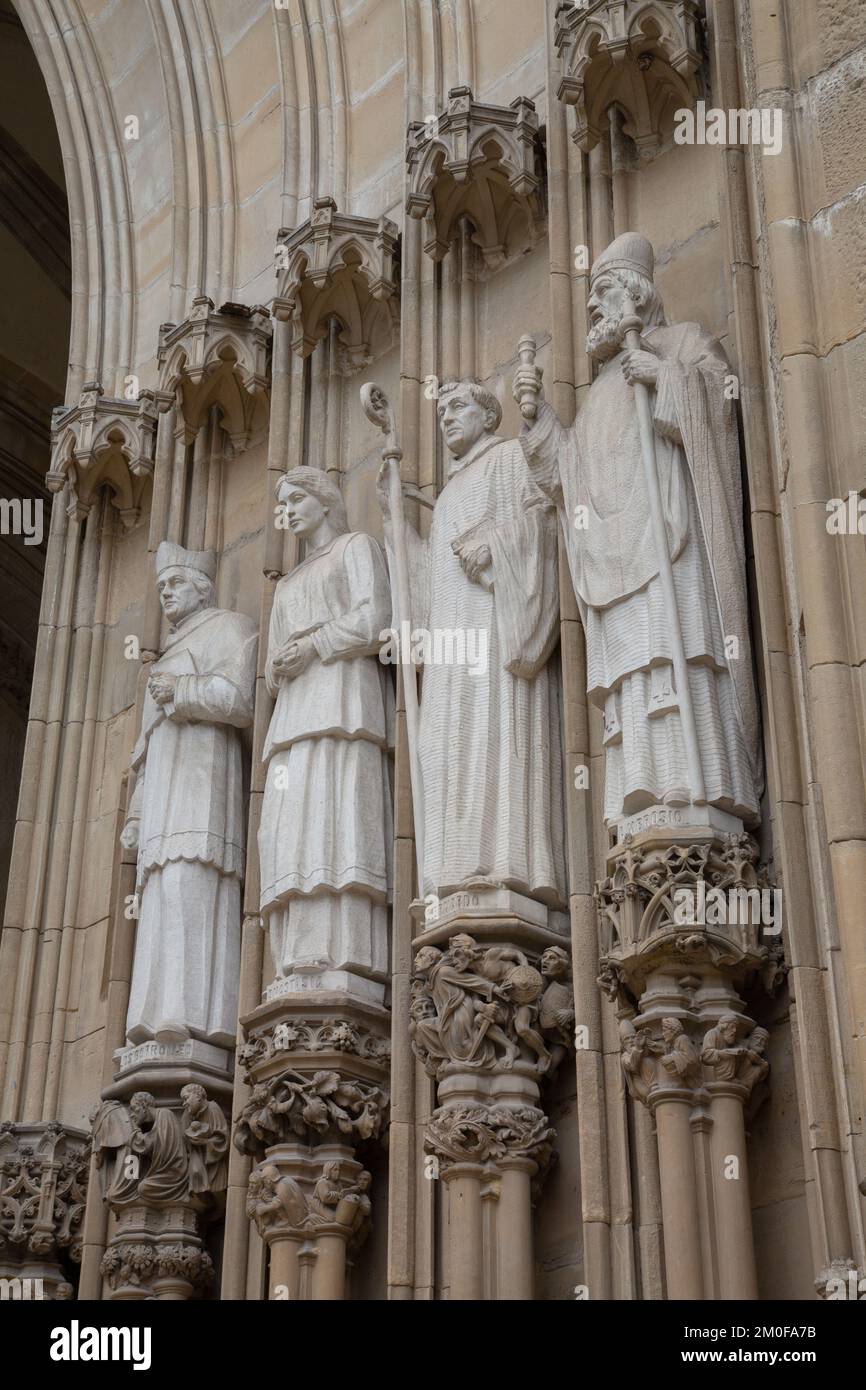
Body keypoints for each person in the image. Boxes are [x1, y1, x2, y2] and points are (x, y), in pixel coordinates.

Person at [516, 232, 761, 831]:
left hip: (673, 554)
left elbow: (720, 411)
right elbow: (569, 478)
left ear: (635, 293)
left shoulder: (683, 343)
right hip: (615, 563)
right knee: (632, 678)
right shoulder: (599, 392)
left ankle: (703, 793)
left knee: (680, 658)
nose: (593, 310)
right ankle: (643, 801)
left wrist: (665, 376)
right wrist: (541, 423)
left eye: (602, 294)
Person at [378, 380, 565, 906]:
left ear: (488, 415)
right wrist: (397, 522)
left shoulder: (508, 458)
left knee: (492, 736)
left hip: (492, 632)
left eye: (458, 407)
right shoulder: (452, 492)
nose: (446, 419)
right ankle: (453, 867)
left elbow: (543, 521)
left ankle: (503, 865)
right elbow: (430, 587)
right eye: (441, 412)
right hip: (449, 653)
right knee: (446, 743)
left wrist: (496, 545)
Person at [258, 467, 393, 996]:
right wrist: (281, 665)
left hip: (343, 703)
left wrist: (313, 645)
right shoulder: (287, 583)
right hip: (295, 715)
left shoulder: (356, 548)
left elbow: (377, 617)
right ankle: (296, 955)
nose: (287, 510)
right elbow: (269, 667)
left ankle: (347, 951)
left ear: (323, 500)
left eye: (296, 499)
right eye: (282, 503)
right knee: (288, 827)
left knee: (337, 817)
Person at [122, 542, 257, 1047]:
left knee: (192, 882)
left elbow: (240, 700)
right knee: (157, 892)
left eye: (175, 583)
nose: (165, 593)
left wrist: (181, 690)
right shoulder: (165, 657)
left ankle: (198, 1018)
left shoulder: (232, 627)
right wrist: (136, 812)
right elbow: (146, 747)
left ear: (203, 587)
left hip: (204, 787)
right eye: (160, 587)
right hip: (163, 796)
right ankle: (153, 1020)